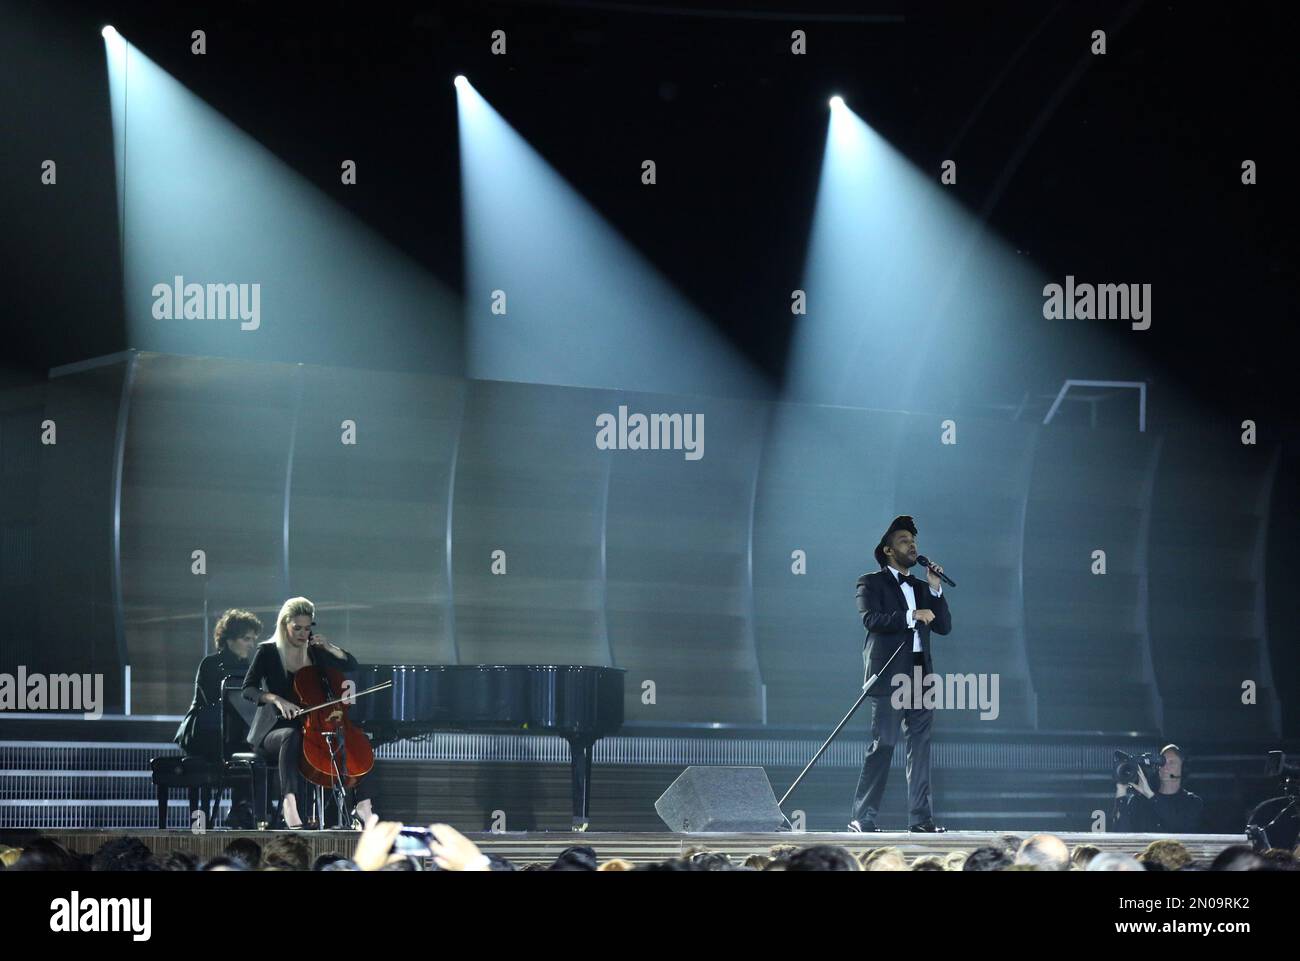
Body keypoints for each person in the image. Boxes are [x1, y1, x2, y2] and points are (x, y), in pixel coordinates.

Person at [849, 515, 953, 833]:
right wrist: (910, 615)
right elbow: (871, 619)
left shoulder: (922, 587)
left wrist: (935, 591)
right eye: (905, 540)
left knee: (920, 747)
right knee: (885, 743)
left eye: (914, 540)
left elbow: (944, 626)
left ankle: (921, 820)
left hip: (921, 673)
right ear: (889, 550)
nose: (913, 545)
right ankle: (862, 816)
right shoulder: (870, 582)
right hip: (890, 672)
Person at [242, 597, 375, 829]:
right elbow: (248, 689)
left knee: (356, 740)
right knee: (291, 736)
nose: (303, 634)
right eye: (297, 628)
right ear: (285, 624)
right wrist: (275, 698)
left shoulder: (315, 653)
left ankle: (363, 804)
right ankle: (289, 803)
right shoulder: (268, 652)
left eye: (307, 628)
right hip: (275, 728)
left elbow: (351, 665)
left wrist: (330, 647)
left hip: (312, 726)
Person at [174, 609, 260, 827]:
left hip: (234, 730)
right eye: (246, 638)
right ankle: (237, 810)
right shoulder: (210, 664)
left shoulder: (250, 668)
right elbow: (216, 702)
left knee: (255, 751)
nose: (251, 644)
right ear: (229, 639)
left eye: (253, 639)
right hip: (205, 731)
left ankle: (244, 809)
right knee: (244, 748)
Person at [1112, 743, 1203, 833]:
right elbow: (1121, 832)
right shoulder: (1139, 800)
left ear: (1183, 768)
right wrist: (1121, 789)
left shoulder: (1192, 802)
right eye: (1162, 762)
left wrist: (1150, 795)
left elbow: (1178, 824)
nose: (1165, 767)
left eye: (1172, 762)